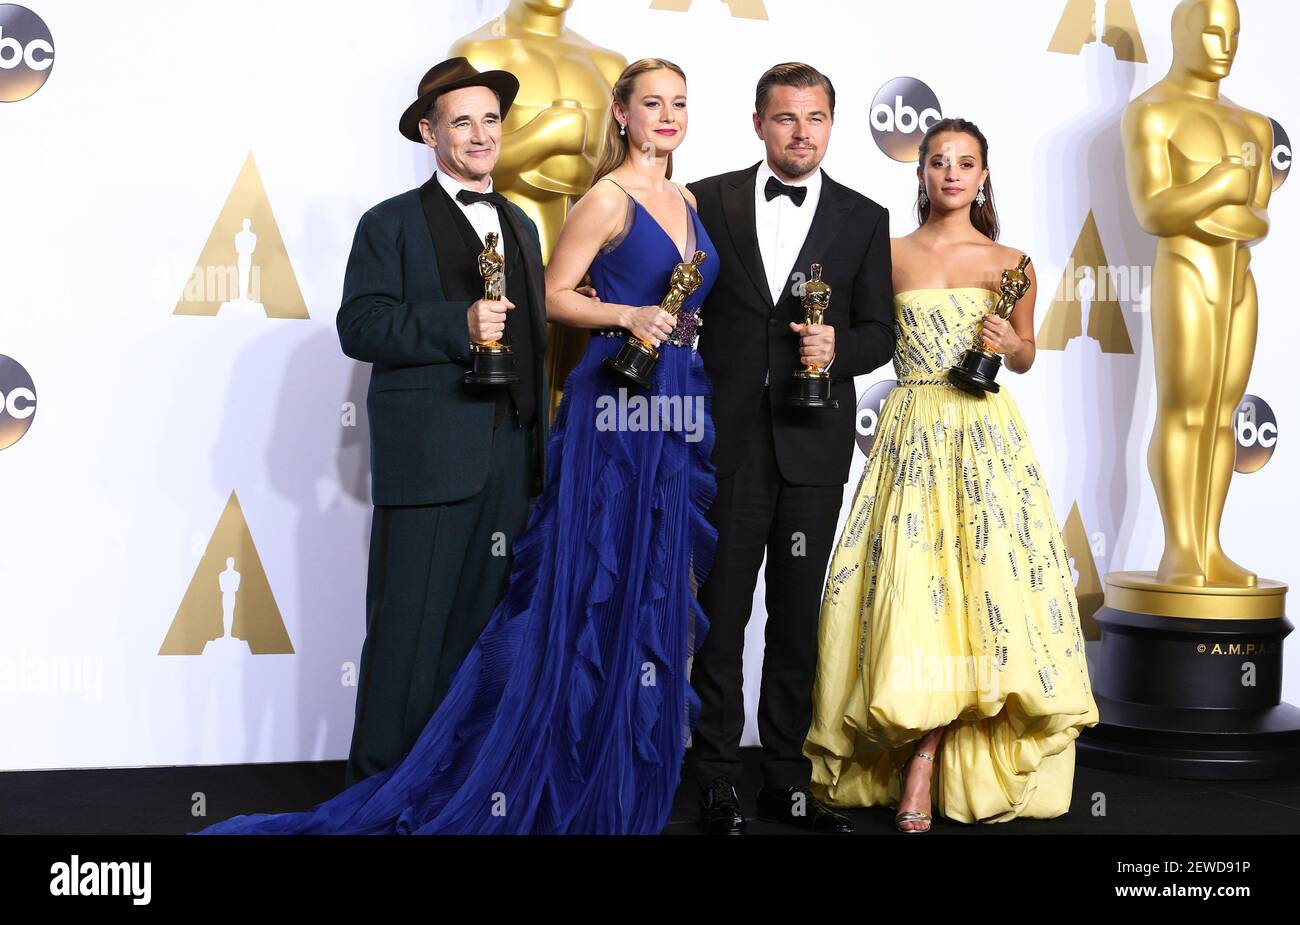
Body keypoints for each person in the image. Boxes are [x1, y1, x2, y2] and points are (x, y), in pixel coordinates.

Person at [195, 57, 717, 835]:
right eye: (463, 122)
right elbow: (360, 324)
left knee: (490, 648)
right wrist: (457, 326)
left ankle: (455, 790)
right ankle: (381, 795)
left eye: (490, 121)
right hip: (431, 462)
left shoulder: (516, 221)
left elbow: (542, 339)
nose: (480, 135)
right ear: (428, 132)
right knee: (407, 638)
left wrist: (550, 454)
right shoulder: (391, 223)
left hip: (513, 460)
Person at [803, 118, 1100, 833]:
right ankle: (913, 749)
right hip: (909, 436)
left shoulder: (1013, 261)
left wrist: (1011, 342)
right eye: (939, 162)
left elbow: (1026, 355)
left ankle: (927, 763)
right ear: (921, 173)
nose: (952, 174)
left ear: (984, 174)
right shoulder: (890, 254)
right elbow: (871, 339)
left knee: (981, 597)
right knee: (913, 599)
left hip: (985, 439)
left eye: (966, 163)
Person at [685, 62, 896, 834]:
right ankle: (711, 775)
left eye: (814, 119)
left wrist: (837, 349)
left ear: (831, 126)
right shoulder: (704, 199)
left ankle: (786, 776)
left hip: (812, 447)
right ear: (757, 123)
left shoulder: (864, 217)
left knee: (796, 620)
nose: (800, 132)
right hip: (725, 442)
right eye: (785, 118)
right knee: (718, 615)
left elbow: (883, 333)